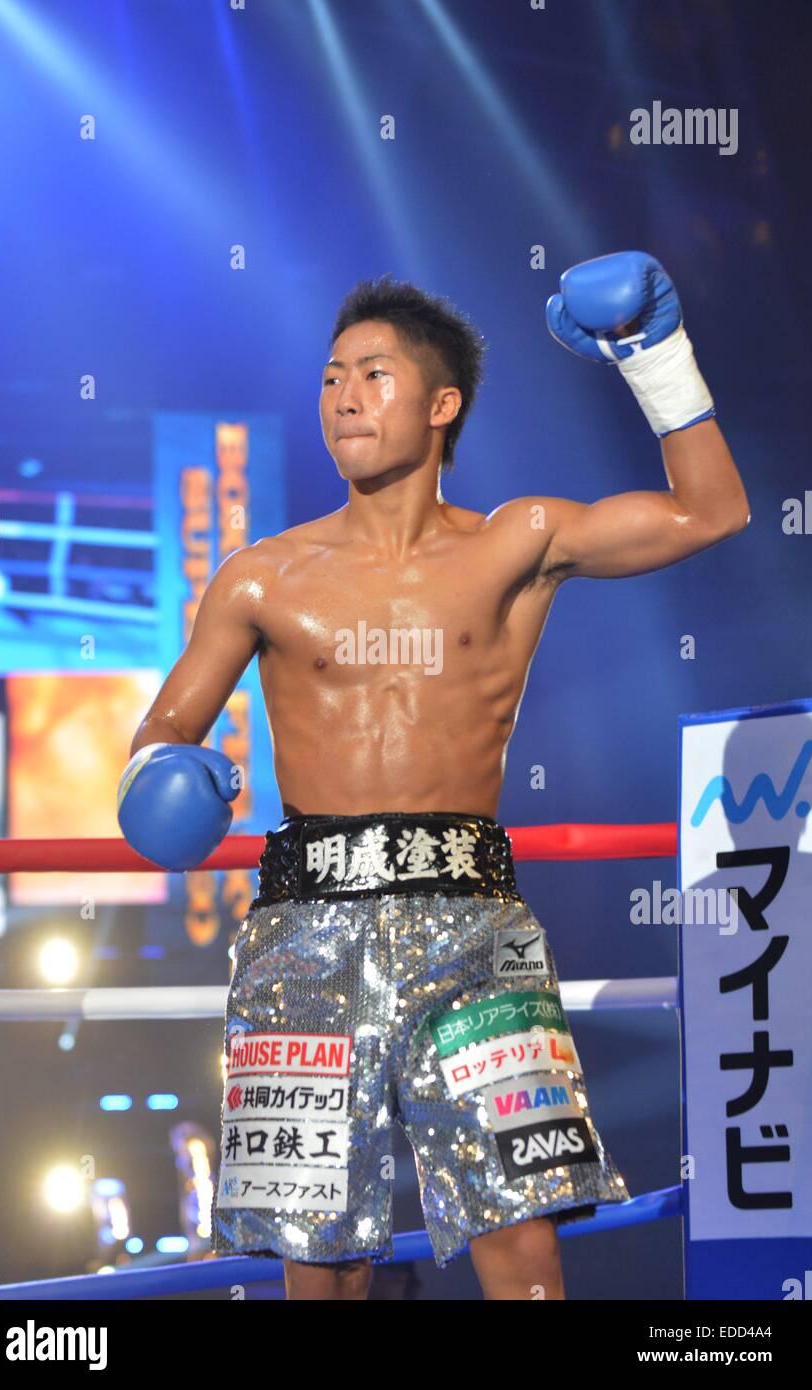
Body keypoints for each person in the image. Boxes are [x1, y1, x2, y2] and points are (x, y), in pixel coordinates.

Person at [118, 252, 750, 1300]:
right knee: (320, 1263)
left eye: (371, 373)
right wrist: (165, 775)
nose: (341, 397)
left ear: (440, 402)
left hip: (469, 927)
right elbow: (161, 735)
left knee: (520, 1238)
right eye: (328, 377)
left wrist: (654, 357)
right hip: (302, 933)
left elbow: (710, 511)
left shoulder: (518, 541)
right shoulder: (261, 574)